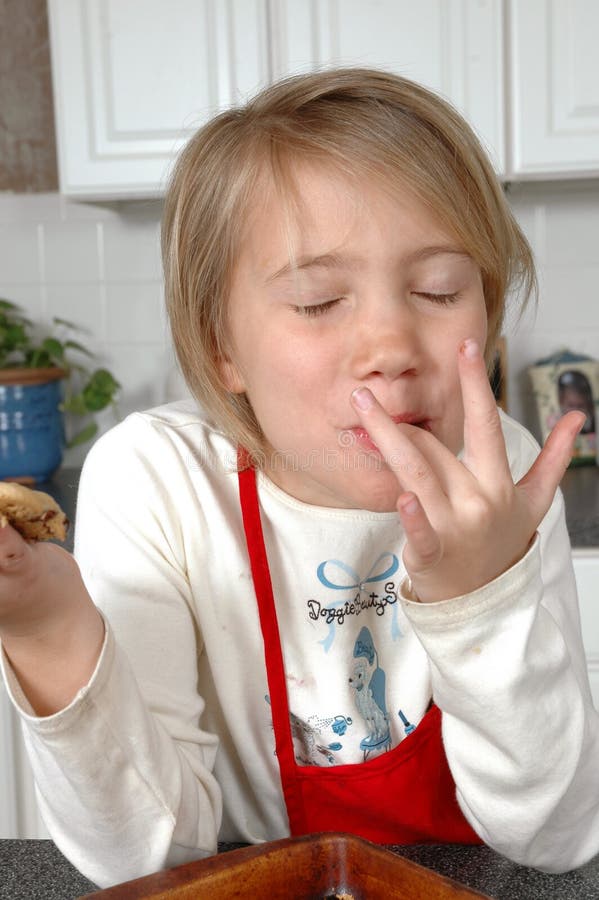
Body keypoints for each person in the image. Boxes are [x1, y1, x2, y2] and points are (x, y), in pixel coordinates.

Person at [1, 68, 598, 889]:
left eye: (439, 289)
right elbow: (143, 858)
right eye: (319, 302)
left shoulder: (503, 478)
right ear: (221, 347)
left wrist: (481, 597)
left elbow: (558, 838)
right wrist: (48, 633)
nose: (391, 342)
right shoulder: (156, 482)